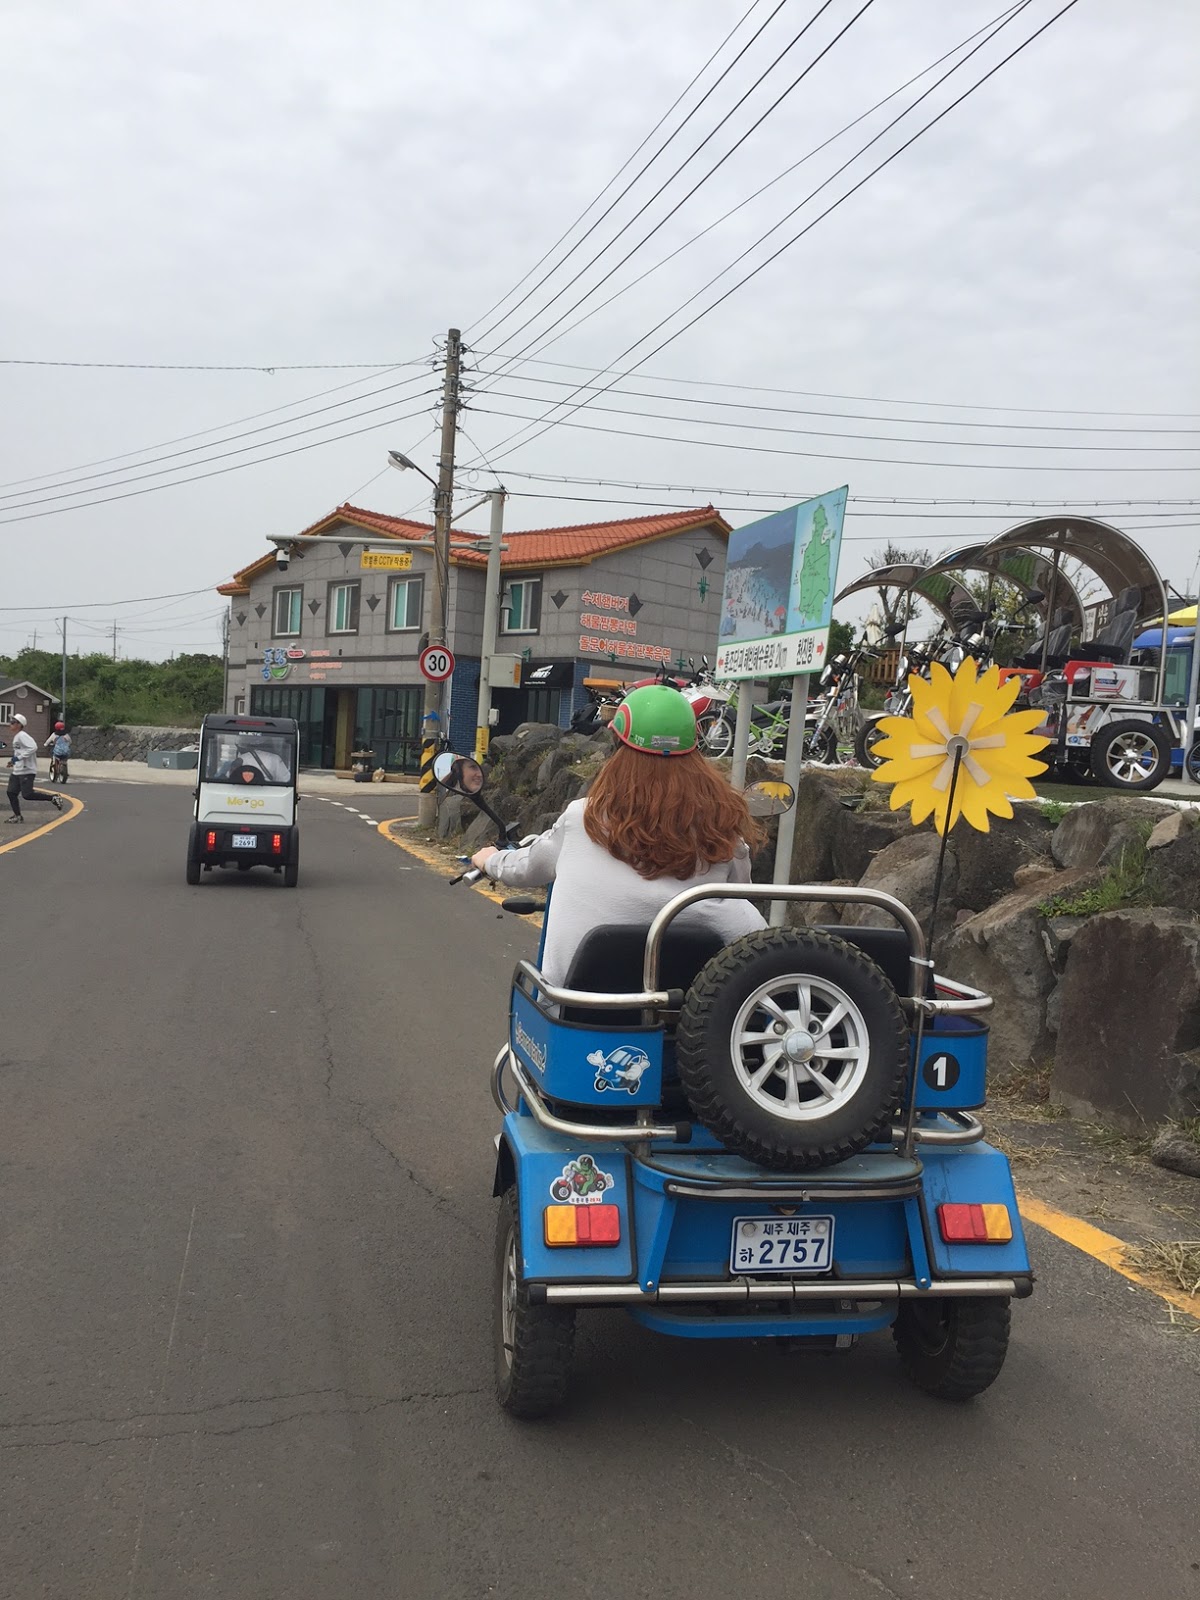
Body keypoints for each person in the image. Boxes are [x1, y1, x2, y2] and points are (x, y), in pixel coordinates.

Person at [470, 685, 766, 985]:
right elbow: (741, 894)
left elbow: (526, 867)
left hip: (579, 1013)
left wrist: (490, 860)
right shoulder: (722, 829)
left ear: (617, 748)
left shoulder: (583, 820)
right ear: (694, 753)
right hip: (691, 1018)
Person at [6, 714, 65, 824]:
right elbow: (20, 752)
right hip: (18, 770)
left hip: (27, 770)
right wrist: (13, 761)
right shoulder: (17, 736)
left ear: (19, 725)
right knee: (11, 792)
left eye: (13, 722)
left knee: (27, 795)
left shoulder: (22, 736)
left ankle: (53, 798)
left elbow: (33, 747)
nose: (10, 724)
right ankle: (17, 816)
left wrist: (18, 758)